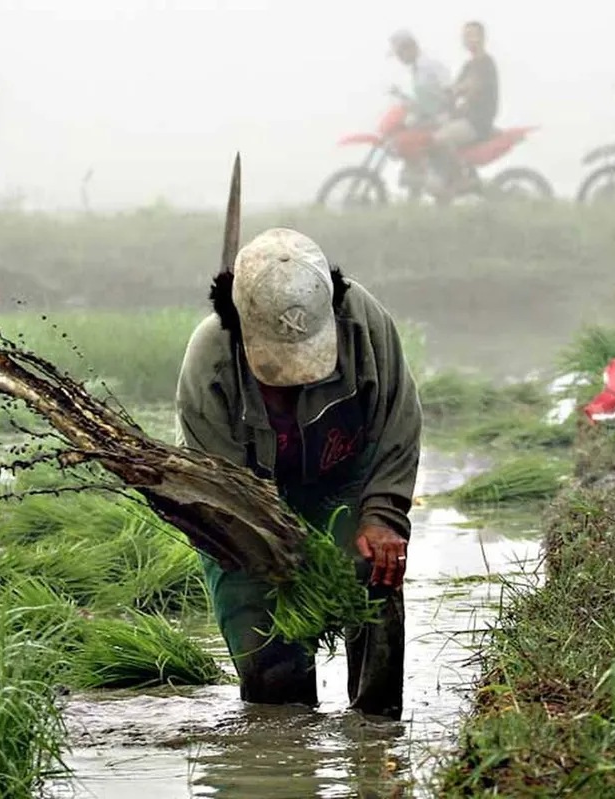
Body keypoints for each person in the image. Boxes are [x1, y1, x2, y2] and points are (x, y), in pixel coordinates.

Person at [175, 227, 421, 719]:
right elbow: (218, 491)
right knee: (265, 650)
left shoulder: (364, 326)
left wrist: (383, 514)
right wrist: (269, 544)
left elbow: (396, 421)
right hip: (243, 509)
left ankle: (377, 734)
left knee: (377, 569)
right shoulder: (210, 362)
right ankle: (281, 745)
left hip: (343, 485)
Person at [428, 21, 500, 198]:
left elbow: (472, 85)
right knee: (430, 129)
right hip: (466, 119)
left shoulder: (485, 63)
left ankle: (461, 179)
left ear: (483, 38)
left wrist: (457, 91)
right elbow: (454, 88)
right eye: (466, 36)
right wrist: (436, 95)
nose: (469, 39)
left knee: (439, 139)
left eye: (473, 35)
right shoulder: (468, 65)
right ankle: (445, 180)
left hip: (477, 121)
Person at [388, 29, 452, 126]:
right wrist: (400, 95)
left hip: (443, 119)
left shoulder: (432, 65)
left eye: (400, 53)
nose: (399, 58)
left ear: (412, 46)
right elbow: (424, 103)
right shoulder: (416, 71)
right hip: (431, 119)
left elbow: (448, 94)